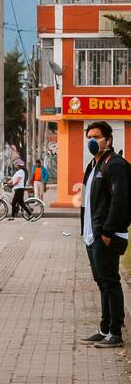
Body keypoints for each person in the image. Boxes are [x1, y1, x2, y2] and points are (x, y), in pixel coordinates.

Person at [76, 121, 130, 348]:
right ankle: (104, 328)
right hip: (92, 234)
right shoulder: (93, 165)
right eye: (89, 136)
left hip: (107, 234)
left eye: (97, 136)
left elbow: (120, 200)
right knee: (101, 282)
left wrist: (108, 231)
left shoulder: (116, 165)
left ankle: (115, 333)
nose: (92, 140)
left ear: (108, 140)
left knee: (110, 282)